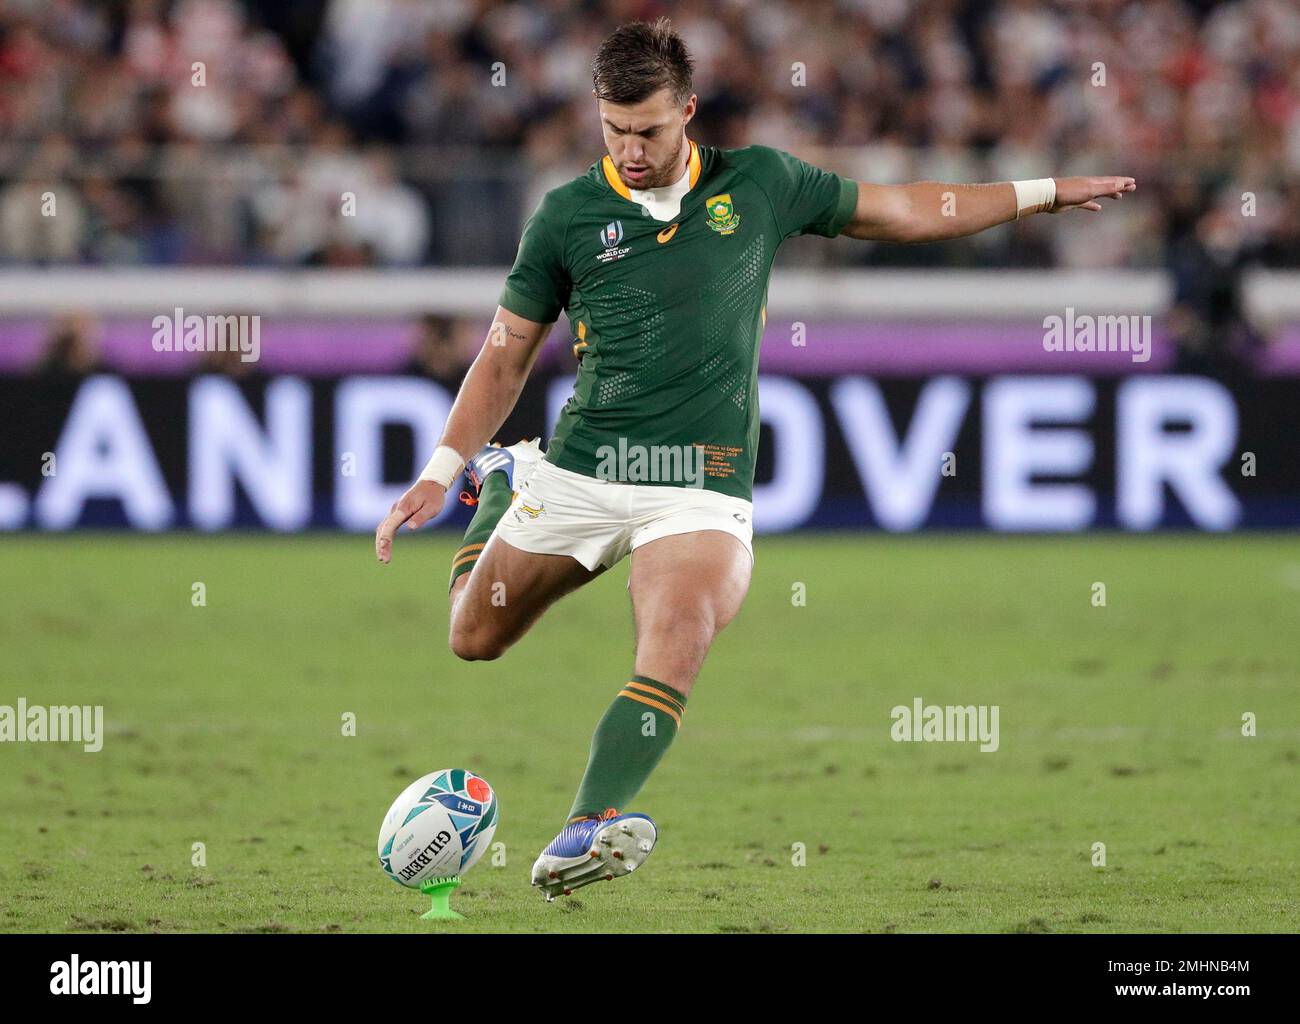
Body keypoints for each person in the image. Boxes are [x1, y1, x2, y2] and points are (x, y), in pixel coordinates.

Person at [374, 17, 1135, 901]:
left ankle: (589, 821)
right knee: (474, 637)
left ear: (688, 111)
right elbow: (504, 355)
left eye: (648, 131)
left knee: (678, 633)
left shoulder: (763, 184)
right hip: (583, 469)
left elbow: (907, 208)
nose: (629, 150)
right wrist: (440, 471)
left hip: (699, 481)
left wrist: (1042, 191)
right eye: (612, 130)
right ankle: (501, 489)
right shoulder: (566, 217)